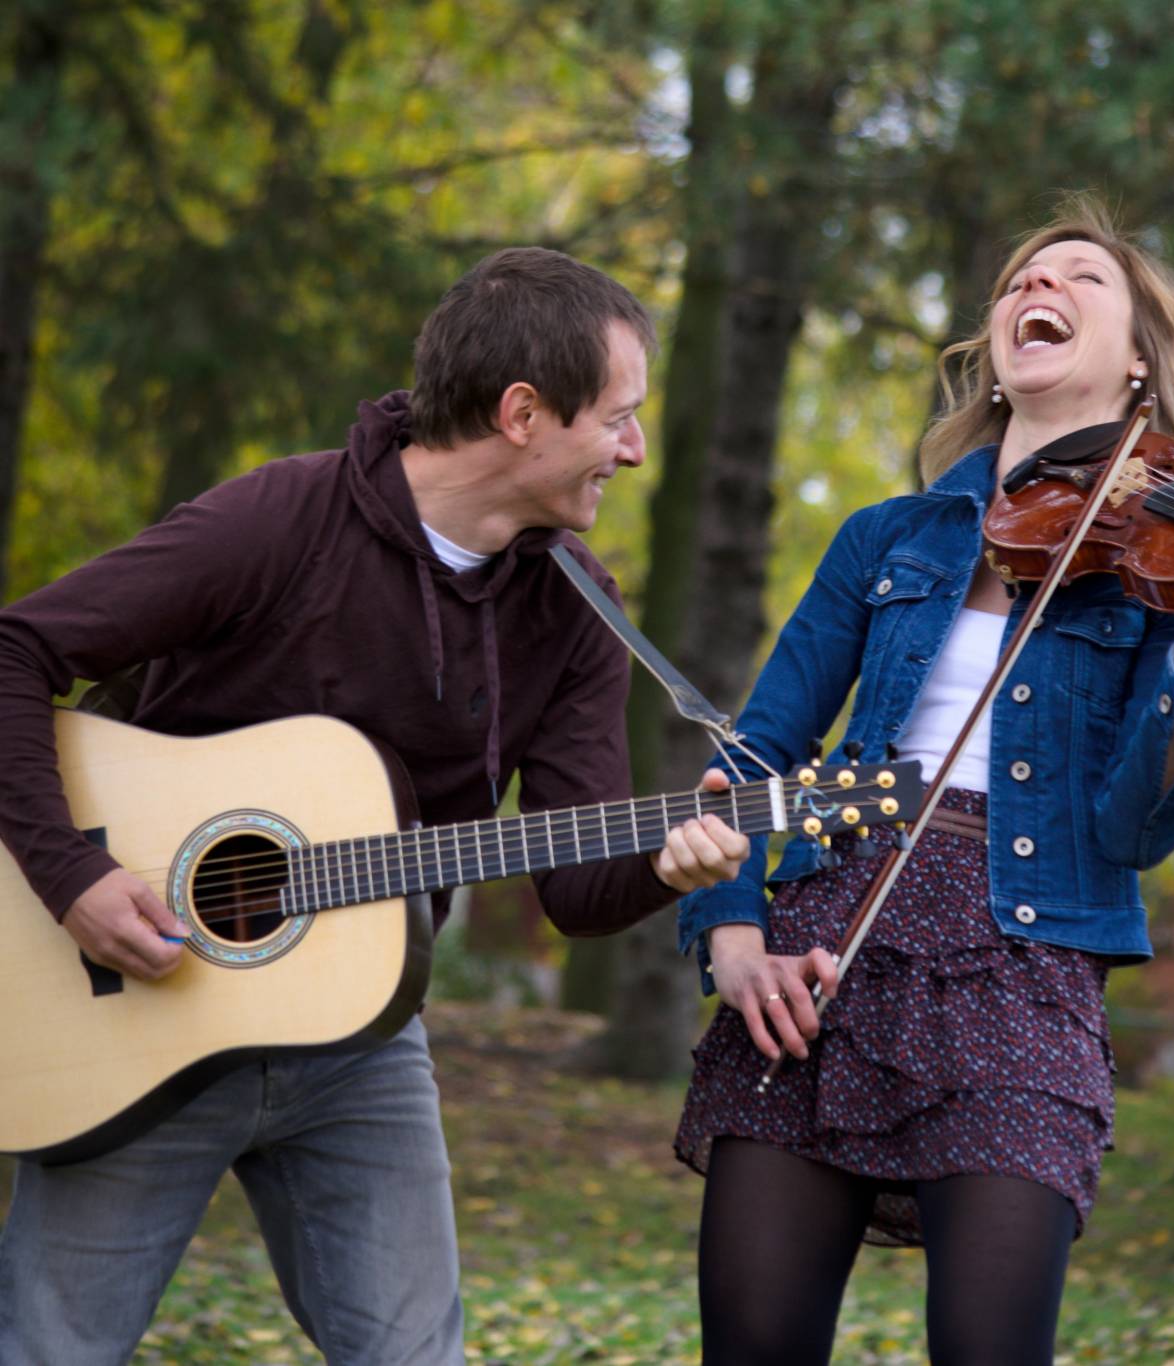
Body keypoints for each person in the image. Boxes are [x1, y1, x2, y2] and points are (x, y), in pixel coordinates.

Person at [0, 246, 748, 1366]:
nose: (635, 449)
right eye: (618, 417)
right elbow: (16, 649)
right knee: (50, 1348)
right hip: (131, 1006)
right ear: (522, 413)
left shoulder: (579, 608)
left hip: (359, 1042)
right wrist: (71, 877)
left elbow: (578, 891)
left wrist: (667, 859)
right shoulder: (280, 520)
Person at [672, 198, 1174, 1366]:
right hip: (825, 942)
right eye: (1021, 277)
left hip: (1025, 974)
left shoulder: (1158, 576)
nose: (1037, 288)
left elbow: (1137, 826)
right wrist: (728, 934)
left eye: (1078, 279)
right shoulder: (887, 538)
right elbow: (750, 755)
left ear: (1134, 368)